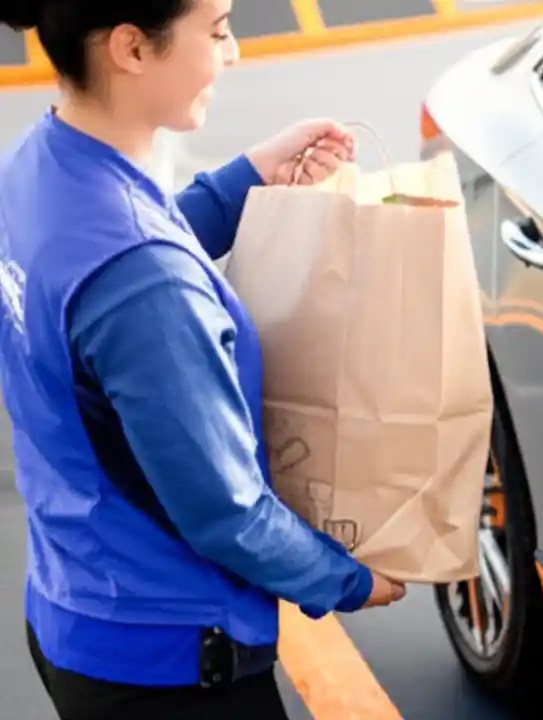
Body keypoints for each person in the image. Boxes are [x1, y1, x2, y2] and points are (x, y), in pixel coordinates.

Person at [0, 1, 406, 718]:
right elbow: (227, 512)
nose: (234, 53)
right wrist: (346, 579)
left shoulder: (39, 168)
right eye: (216, 30)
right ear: (131, 47)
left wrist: (241, 180)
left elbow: (107, 280)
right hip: (173, 666)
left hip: (78, 608)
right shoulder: (141, 279)